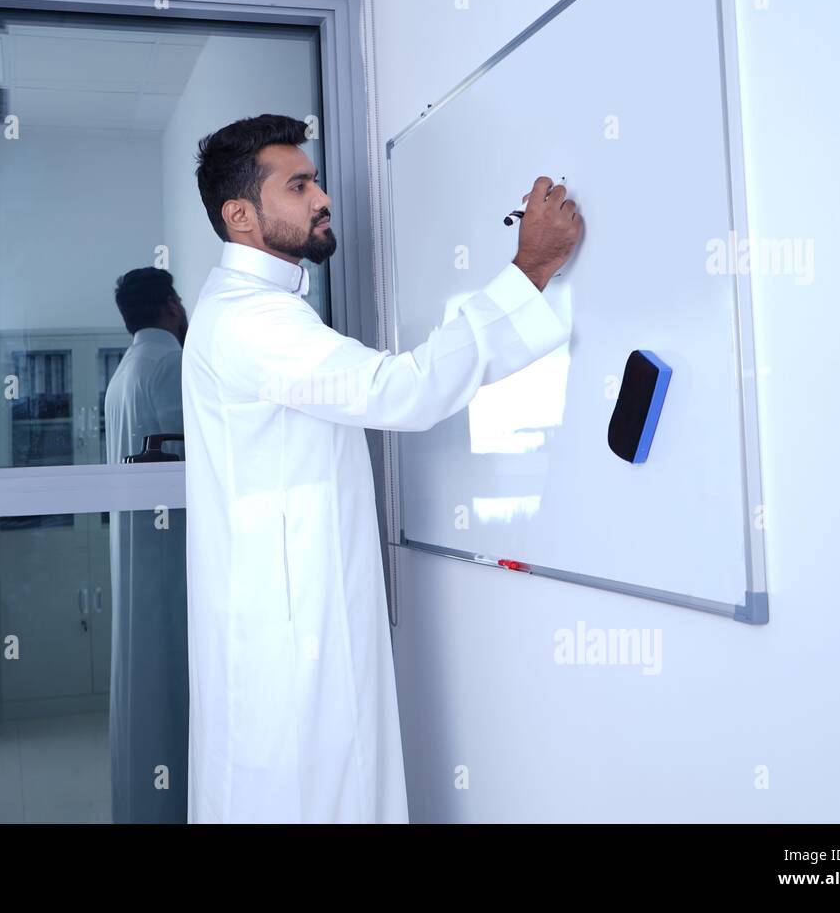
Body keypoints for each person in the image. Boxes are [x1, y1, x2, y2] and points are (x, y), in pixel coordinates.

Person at [182, 113, 582, 822]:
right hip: (289, 635)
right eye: (299, 184)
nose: (323, 196)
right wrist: (531, 271)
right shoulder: (253, 322)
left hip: (292, 619)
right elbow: (400, 391)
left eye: (316, 180)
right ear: (240, 214)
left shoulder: (256, 307)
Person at [104, 266, 190, 823]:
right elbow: (195, 451)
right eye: (180, 301)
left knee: (146, 671)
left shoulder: (125, 371)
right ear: (168, 306)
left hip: (138, 541)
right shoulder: (170, 363)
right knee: (170, 675)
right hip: (168, 546)